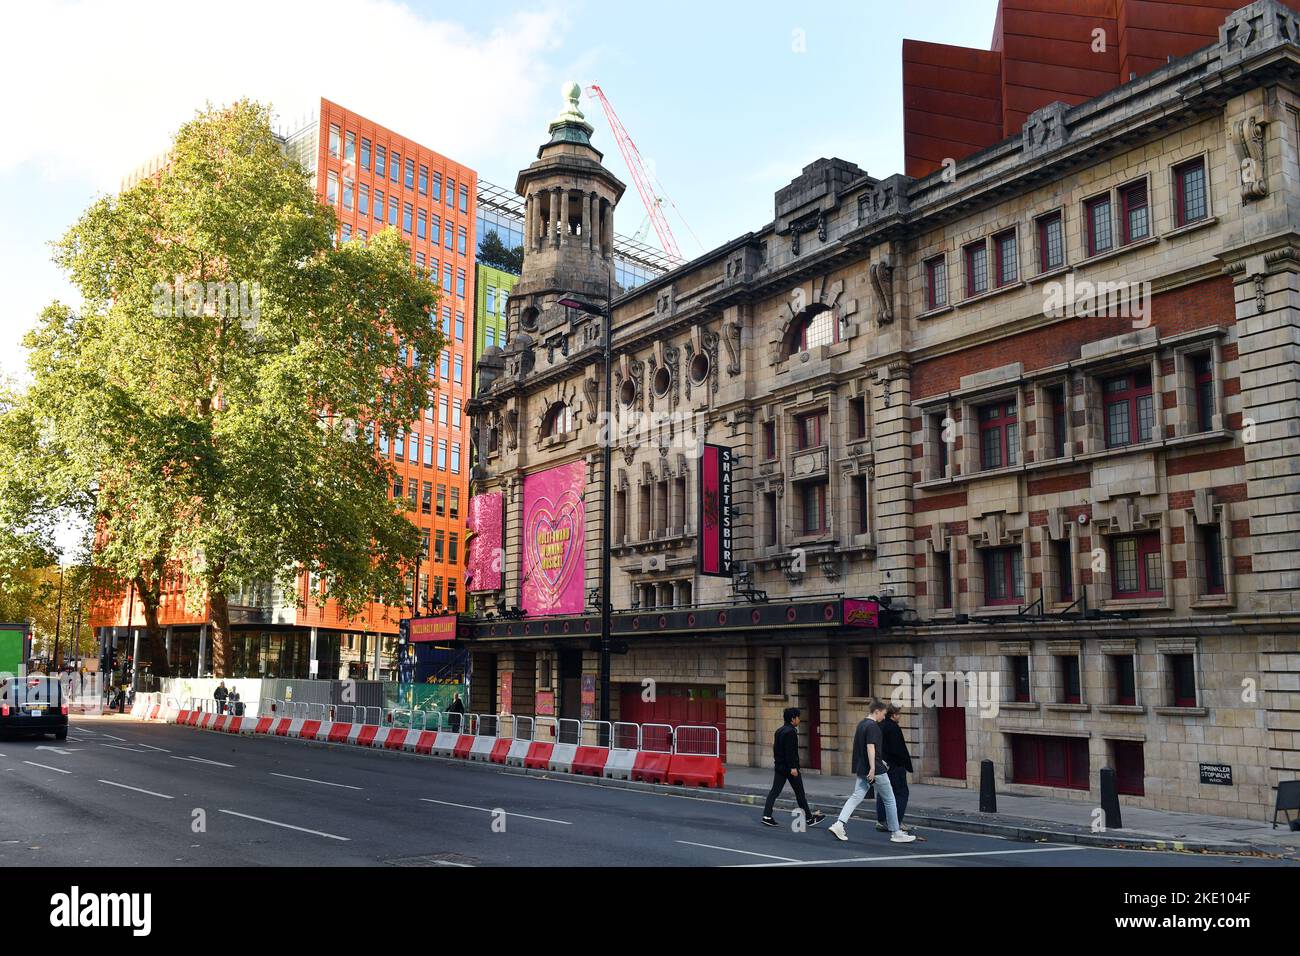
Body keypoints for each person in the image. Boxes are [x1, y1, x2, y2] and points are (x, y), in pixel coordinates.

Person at [828, 699, 916, 844]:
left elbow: (860, 748)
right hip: (875, 770)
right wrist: (874, 768)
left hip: (862, 768)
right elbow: (870, 747)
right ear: (877, 711)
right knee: (890, 799)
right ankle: (896, 833)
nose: (884, 716)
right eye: (883, 713)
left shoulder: (861, 724)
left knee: (855, 797)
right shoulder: (873, 726)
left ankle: (839, 824)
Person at [761, 707, 825, 828]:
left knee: (774, 791)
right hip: (790, 769)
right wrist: (793, 768)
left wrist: (779, 763)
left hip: (780, 767)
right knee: (800, 793)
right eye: (798, 717)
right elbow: (790, 752)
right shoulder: (791, 732)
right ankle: (809, 819)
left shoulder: (779, 731)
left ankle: (767, 816)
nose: (799, 720)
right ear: (792, 719)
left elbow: (776, 750)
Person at [876, 704, 915, 833]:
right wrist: (904, 764)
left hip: (882, 765)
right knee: (902, 793)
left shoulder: (880, 726)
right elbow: (898, 749)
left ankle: (882, 821)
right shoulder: (893, 728)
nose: (900, 716)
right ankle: (896, 821)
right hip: (895, 766)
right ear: (894, 715)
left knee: (883, 793)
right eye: (899, 714)